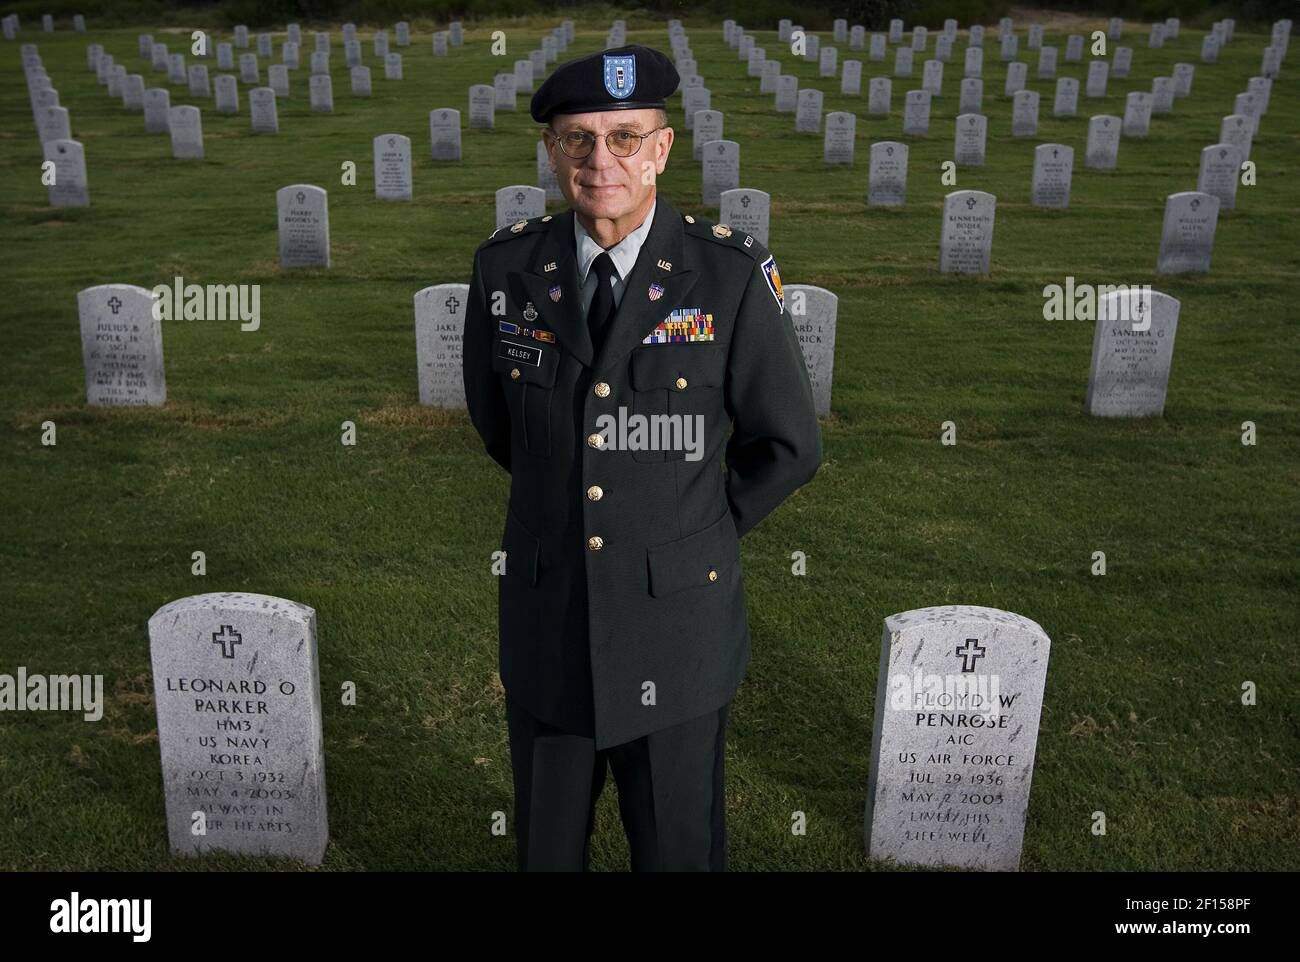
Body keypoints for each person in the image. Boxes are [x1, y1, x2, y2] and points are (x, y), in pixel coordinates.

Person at [462, 43, 821, 871]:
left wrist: (693, 526)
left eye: (625, 137)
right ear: (552, 151)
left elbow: (790, 444)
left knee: (677, 852)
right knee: (547, 855)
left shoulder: (725, 276)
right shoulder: (506, 269)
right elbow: (499, 427)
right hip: (549, 623)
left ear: (662, 150)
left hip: (675, 632)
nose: (600, 161)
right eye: (577, 139)